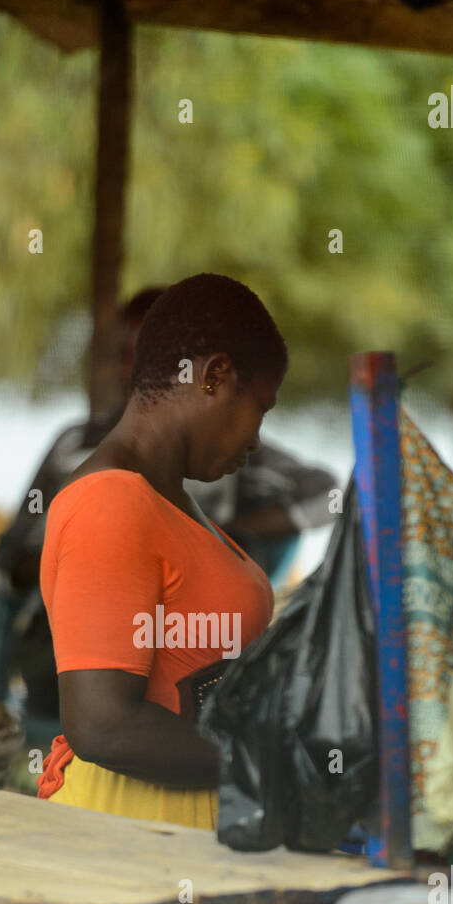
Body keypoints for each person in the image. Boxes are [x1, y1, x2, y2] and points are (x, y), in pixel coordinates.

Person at [0, 287, 335, 735]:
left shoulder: (213, 463)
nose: (131, 368)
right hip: (57, 655)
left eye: (146, 353)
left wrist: (225, 534)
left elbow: (326, 496)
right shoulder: (79, 454)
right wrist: (76, 561)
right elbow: (5, 562)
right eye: (125, 354)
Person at [37, 272, 288, 828]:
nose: (255, 440)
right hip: (127, 835)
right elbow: (103, 725)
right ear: (215, 376)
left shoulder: (166, 501)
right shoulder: (110, 503)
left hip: (180, 832)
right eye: (260, 409)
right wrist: (275, 761)